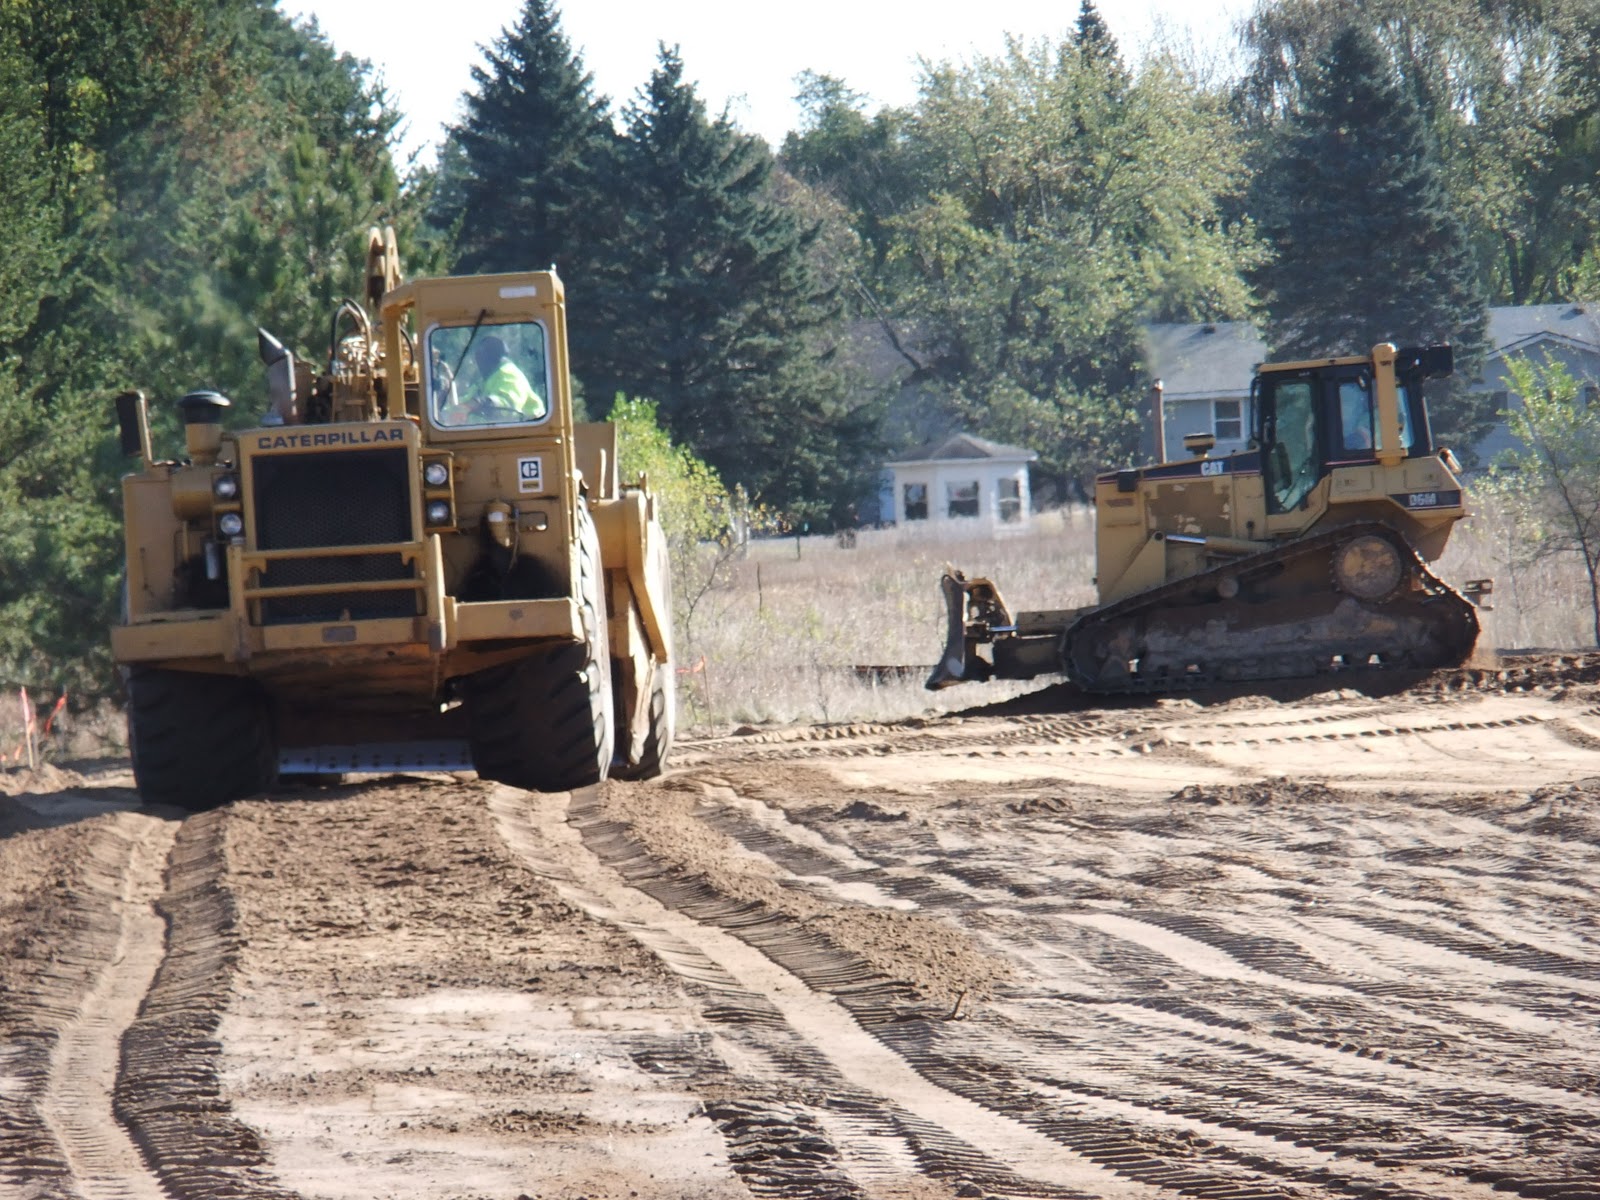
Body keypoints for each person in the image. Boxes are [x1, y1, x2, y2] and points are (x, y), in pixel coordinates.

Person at [439, 334, 546, 425]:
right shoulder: (486, 380)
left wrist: (474, 404)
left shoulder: (509, 375)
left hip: (528, 436)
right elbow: (465, 403)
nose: (477, 362)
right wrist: (444, 408)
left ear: (488, 357)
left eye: (479, 357)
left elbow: (507, 408)